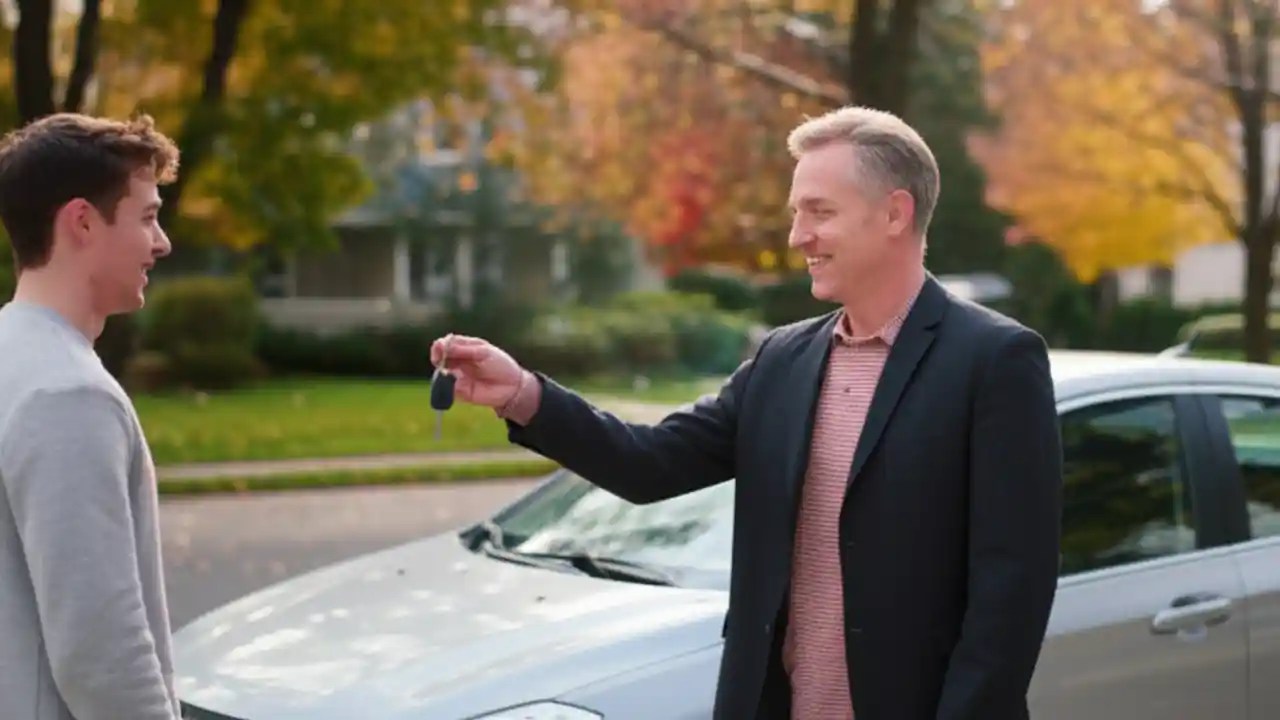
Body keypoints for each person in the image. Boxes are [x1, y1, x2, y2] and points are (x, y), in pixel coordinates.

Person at [432, 106, 1062, 720]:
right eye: (796, 213)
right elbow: (648, 464)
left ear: (895, 213)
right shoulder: (782, 360)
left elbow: (1012, 593)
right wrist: (521, 393)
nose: (797, 236)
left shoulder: (995, 361)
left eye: (820, 211)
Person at [0, 113, 182, 720]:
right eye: (147, 217)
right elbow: (102, 658)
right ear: (81, 221)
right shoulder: (67, 394)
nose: (162, 243)